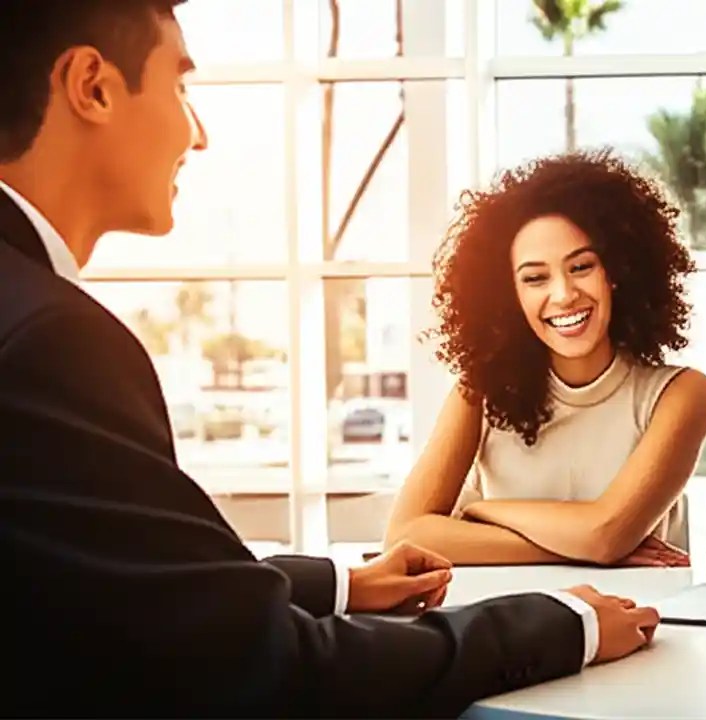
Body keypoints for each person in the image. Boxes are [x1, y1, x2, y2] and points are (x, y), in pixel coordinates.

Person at [0, 2, 658, 715]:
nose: (199, 134)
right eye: (181, 85)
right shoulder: (50, 339)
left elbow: (116, 573)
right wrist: (562, 623)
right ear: (92, 86)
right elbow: (266, 667)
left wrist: (343, 584)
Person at [385, 151, 706, 567]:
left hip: (638, 619)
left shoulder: (682, 394)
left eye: (581, 267)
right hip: (509, 620)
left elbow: (604, 534)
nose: (563, 294)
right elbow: (404, 534)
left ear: (617, 271)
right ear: (509, 295)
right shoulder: (479, 394)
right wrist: (574, 546)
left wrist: (484, 514)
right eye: (535, 277)